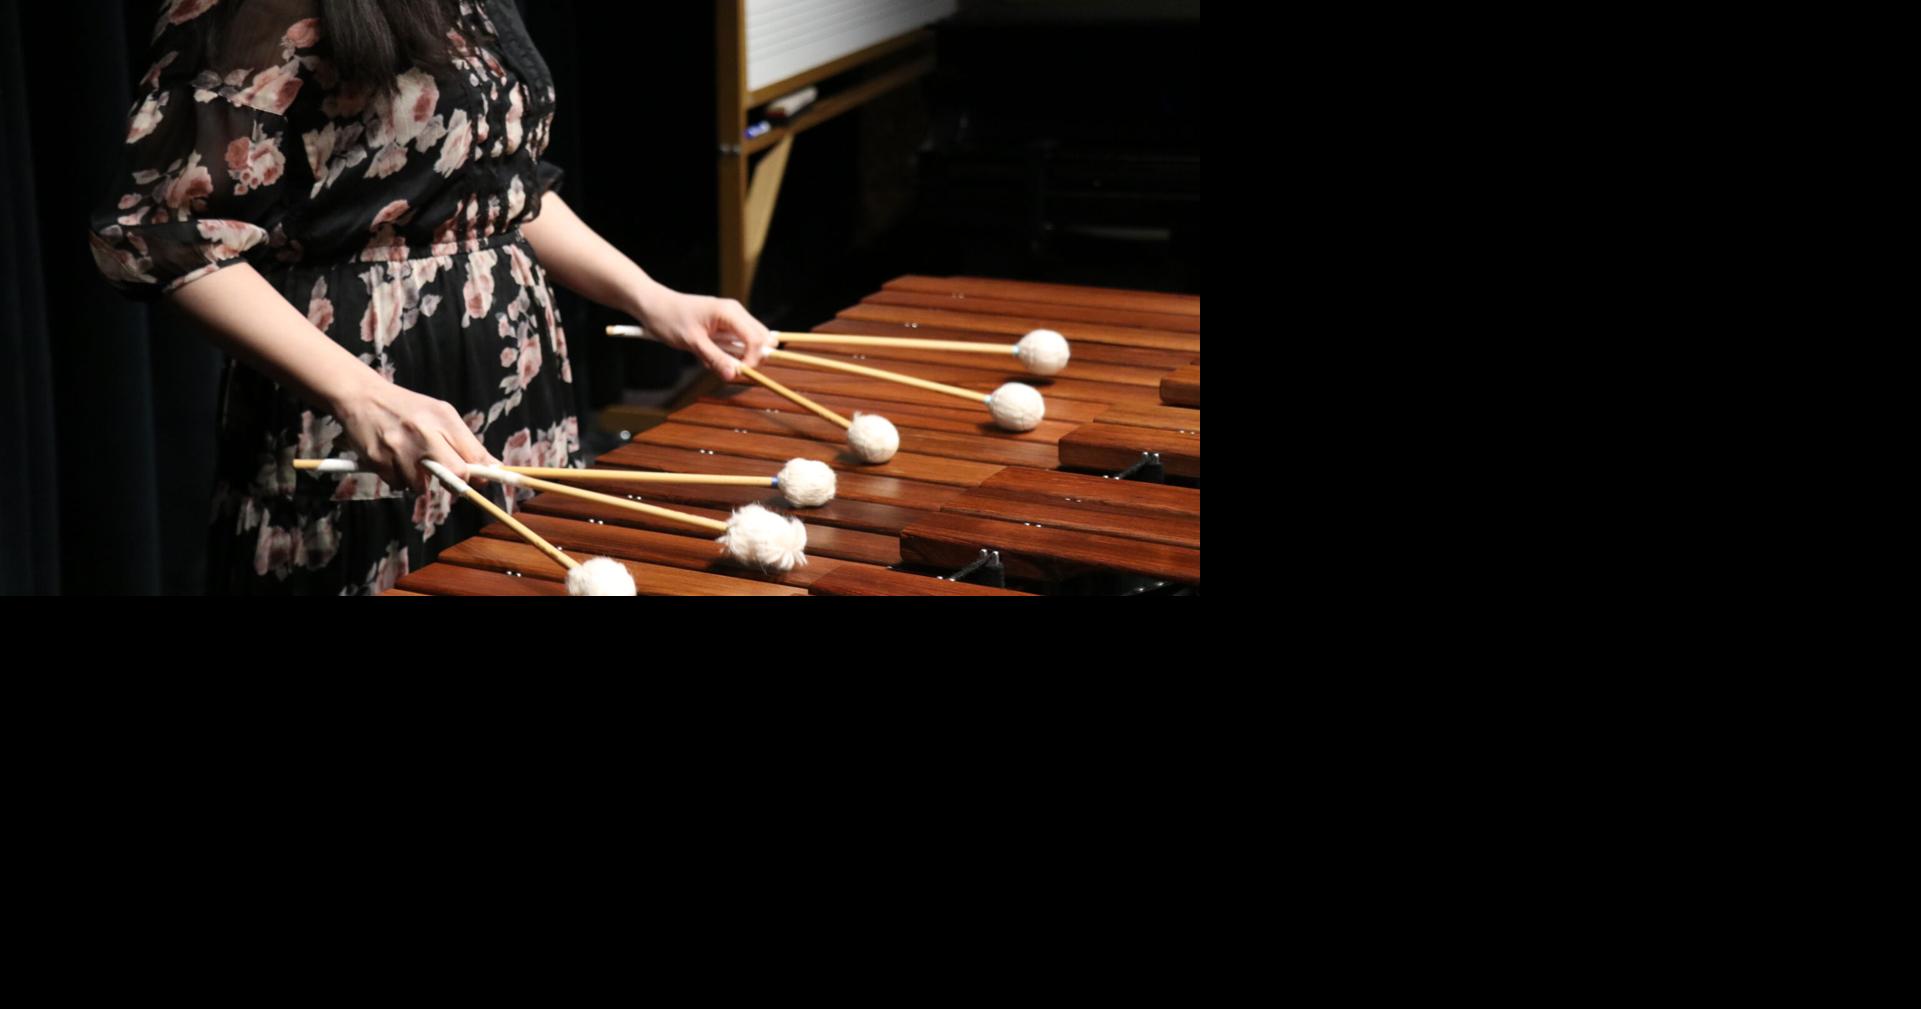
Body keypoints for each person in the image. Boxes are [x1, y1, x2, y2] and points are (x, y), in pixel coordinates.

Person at [88, 0, 772, 594]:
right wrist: (361, 394)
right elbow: (160, 232)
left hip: (516, 382)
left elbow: (490, 188)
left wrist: (649, 296)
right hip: (363, 396)